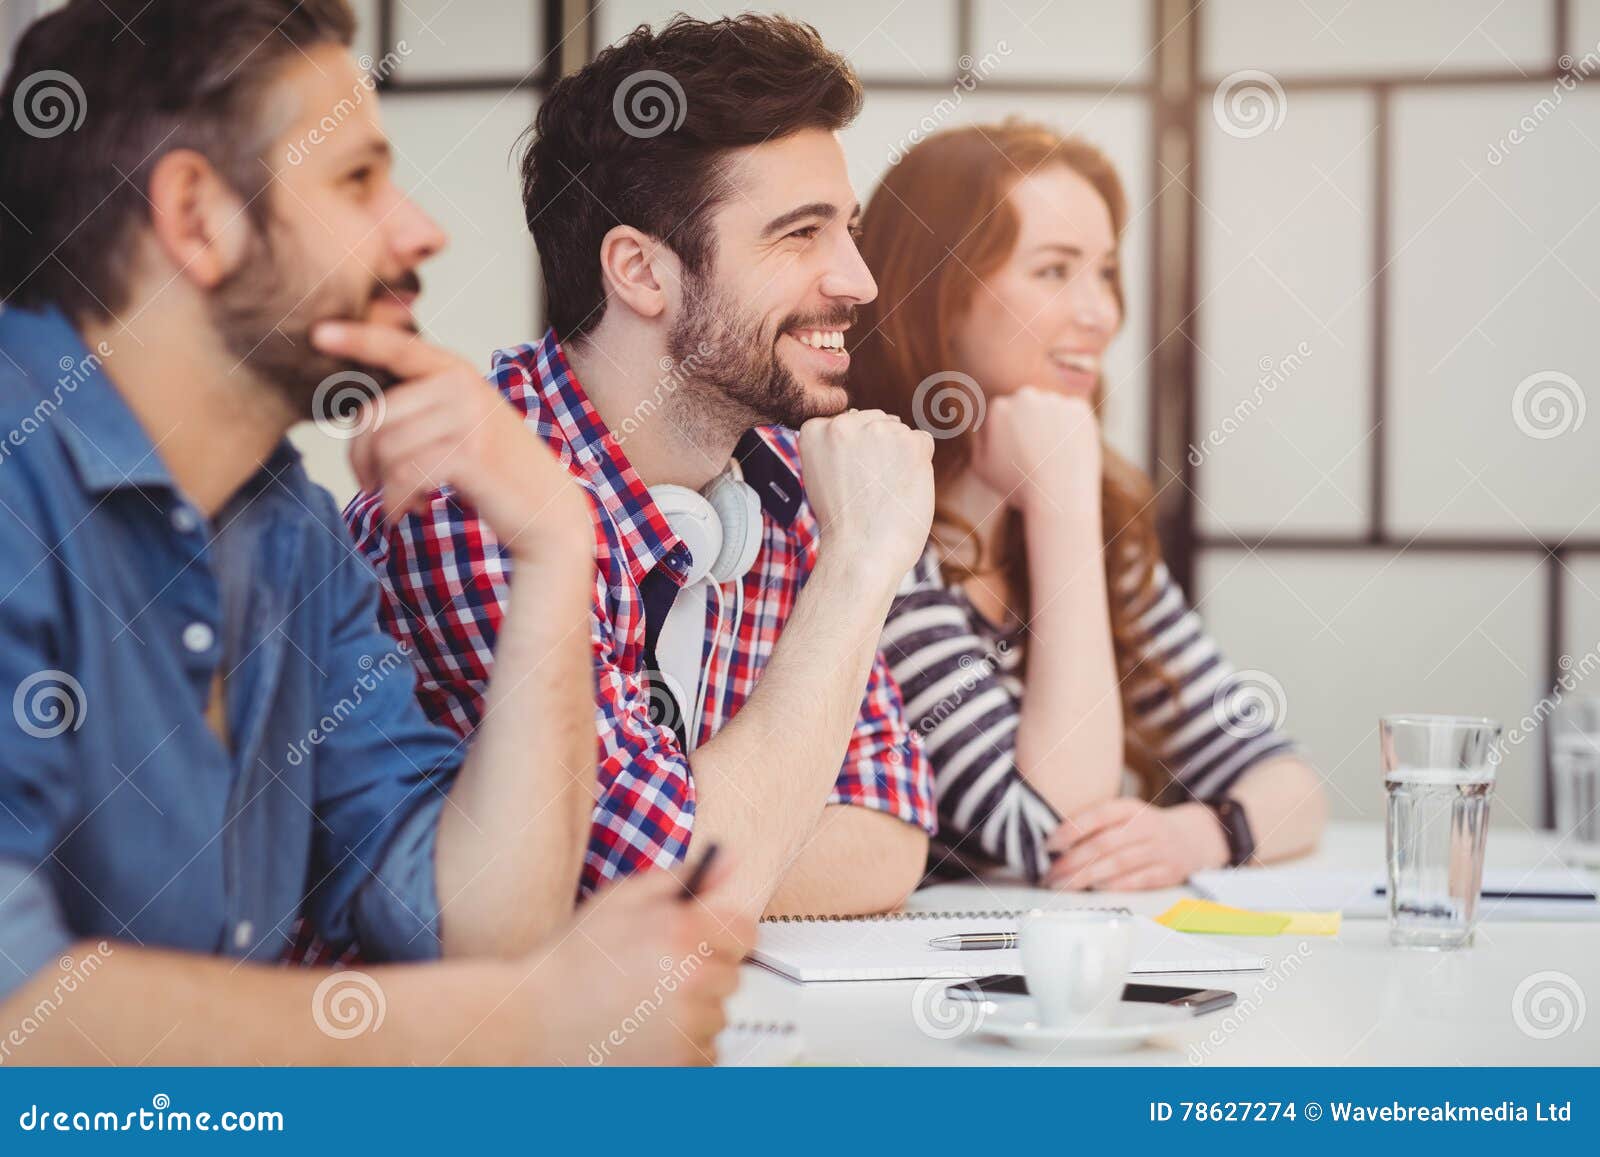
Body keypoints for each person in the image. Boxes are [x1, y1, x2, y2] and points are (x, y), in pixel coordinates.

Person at [0, 0, 747, 1065]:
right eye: (357, 180)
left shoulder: (287, 531)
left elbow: (473, 922)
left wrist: (554, 541)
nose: (422, 229)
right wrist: (525, 1020)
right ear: (196, 216)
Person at [347, 14, 938, 919]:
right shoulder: (475, 488)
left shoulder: (788, 474)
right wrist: (856, 572)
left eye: (846, 229)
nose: (858, 278)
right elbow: (659, 883)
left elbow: (891, 830)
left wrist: (716, 844)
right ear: (640, 271)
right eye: (800, 235)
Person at [853, 121, 1328, 890]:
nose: (1101, 313)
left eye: (1105, 272)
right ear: (938, 295)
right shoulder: (872, 518)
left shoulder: (1095, 516)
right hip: (899, 991)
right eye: (1053, 271)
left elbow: (1287, 780)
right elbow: (1044, 832)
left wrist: (1199, 833)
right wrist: (1061, 505)